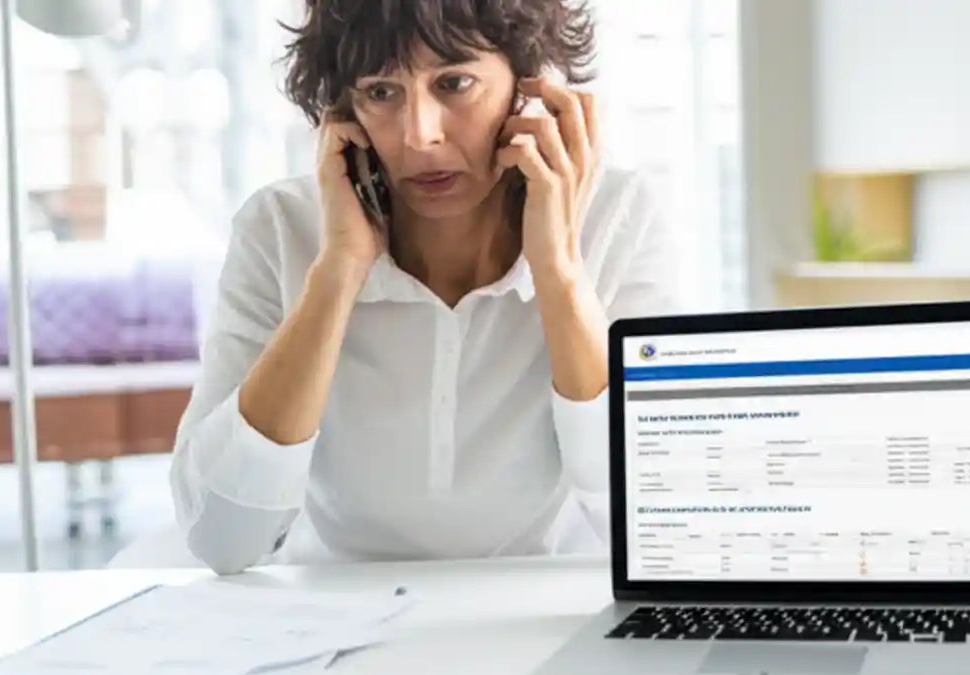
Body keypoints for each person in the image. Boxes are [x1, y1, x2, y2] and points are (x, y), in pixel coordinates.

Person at [170, 0, 678, 574]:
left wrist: (558, 270)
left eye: (455, 83)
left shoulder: (617, 217)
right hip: (336, 624)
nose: (420, 136)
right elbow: (222, 540)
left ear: (530, 86)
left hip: (543, 619)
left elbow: (656, 523)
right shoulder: (280, 229)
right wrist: (338, 271)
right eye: (382, 93)